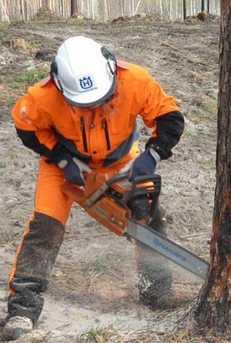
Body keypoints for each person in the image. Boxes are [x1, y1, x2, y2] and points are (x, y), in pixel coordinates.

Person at [1, 36, 184, 340]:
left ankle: (157, 291)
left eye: (100, 99)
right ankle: (23, 308)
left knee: (148, 217)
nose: (94, 107)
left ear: (111, 69)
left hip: (122, 160)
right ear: (60, 86)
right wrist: (61, 160)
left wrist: (151, 156)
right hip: (67, 166)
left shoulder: (135, 80)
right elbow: (26, 128)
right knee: (45, 227)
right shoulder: (41, 97)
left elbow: (170, 118)